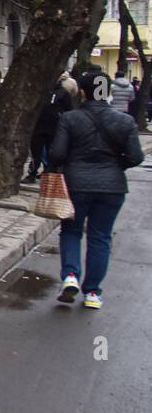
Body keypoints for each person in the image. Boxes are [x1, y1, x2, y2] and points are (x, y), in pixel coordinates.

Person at [49, 70, 145, 308]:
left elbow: (57, 154)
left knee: (71, 232)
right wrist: (115, 166)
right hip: (112, 188)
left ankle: (70, 276)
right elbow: (135, 156)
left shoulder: (70, 119)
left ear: (82, 92)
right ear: (109, 92)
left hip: (76, 185)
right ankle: (92, 293)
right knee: (100, 237)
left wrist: (69, 165)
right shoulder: (125, 121)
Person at [24, 73, 74, 183]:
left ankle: (49, 173)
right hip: (38, 126)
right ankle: (32, 173)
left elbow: (69, 110)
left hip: (54, 127)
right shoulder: (41, 91)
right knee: (35, 152)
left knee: (52, 152)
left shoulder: (63, 93)